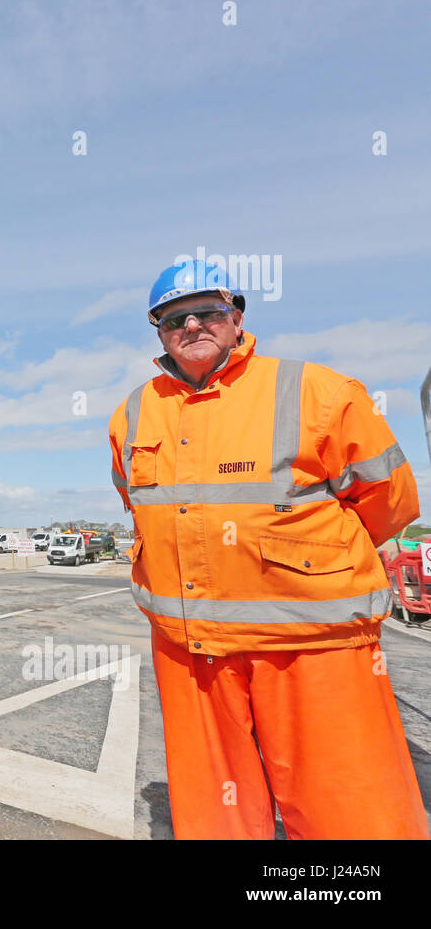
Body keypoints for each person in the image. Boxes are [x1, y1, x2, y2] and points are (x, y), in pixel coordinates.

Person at [108, 259, 428, 839]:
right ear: (158, 331)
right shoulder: (133, 412)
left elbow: (389, 500)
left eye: (207, 311)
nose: (192, 325)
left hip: (311, 639)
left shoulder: (316, 390)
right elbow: (141, 507)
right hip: (190, 645)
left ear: (236, 318)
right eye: (173, 317)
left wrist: (311, 563)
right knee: (215, 811)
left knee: (348, 803)